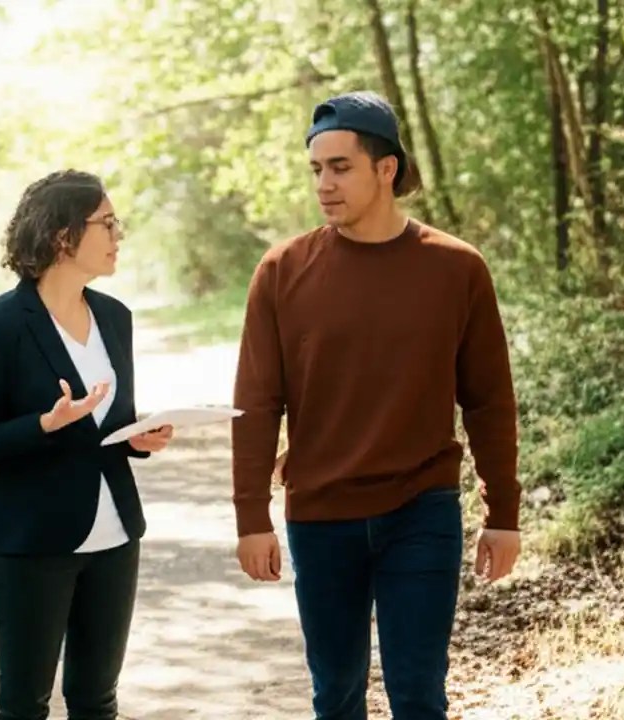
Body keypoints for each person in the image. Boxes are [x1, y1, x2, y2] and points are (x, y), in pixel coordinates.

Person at [229, 91, 523, 720]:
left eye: (340, 167)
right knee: (335, 695)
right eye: (316, 170)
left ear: (385, 169)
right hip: (321, 516)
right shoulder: (282, 271)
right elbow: (257, 402)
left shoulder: (456, 268)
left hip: (422, 511)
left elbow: (489, 399)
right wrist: (251, 516)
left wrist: (504, 511)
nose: (324, 185)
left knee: (419, 693)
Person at [0, 169, 173, 720]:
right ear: (62, 235)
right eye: (107, 222)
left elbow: (106, 431)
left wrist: (138, 438)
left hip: (116, 535)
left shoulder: (115, 317)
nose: (118, 234)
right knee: (25, 706)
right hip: (32, 545)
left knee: (97, 702)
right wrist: (42, 425)